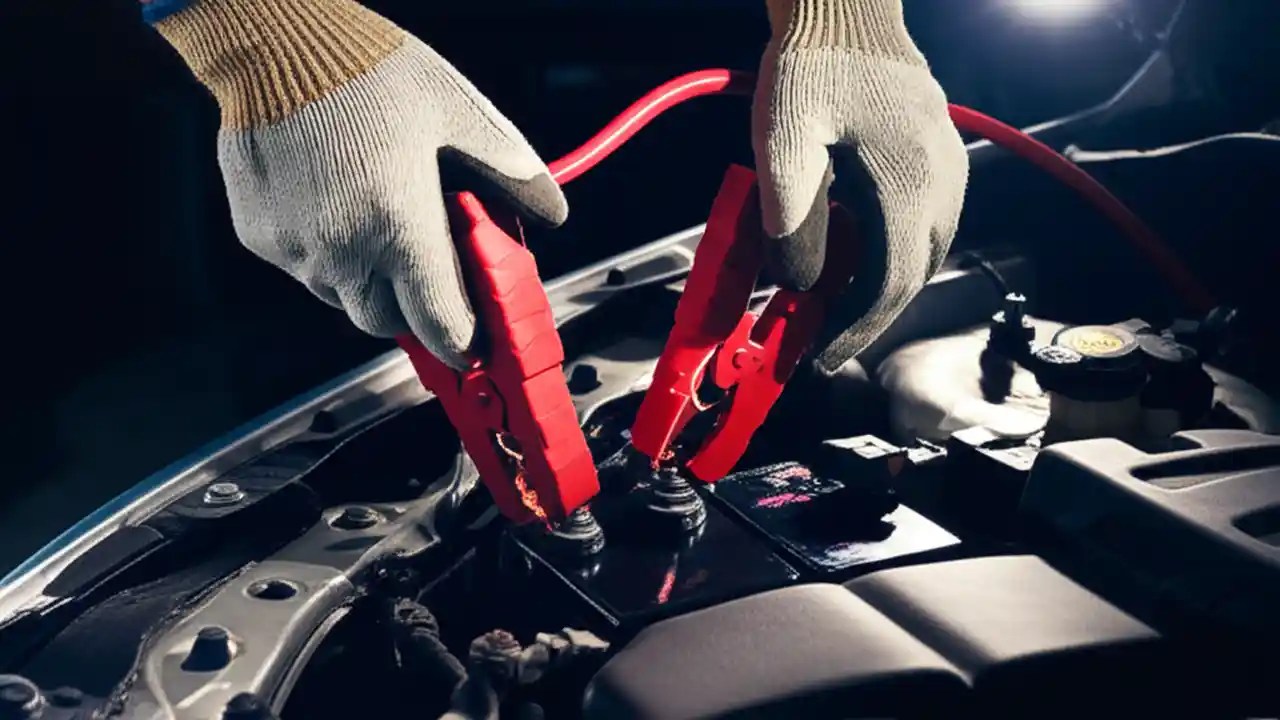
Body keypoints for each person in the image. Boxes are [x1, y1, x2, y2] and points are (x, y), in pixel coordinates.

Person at [143, 0, 967, 376]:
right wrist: (258, 33)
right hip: (352, 86)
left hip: (718, 54)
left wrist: (848, 14)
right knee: (378, 325)